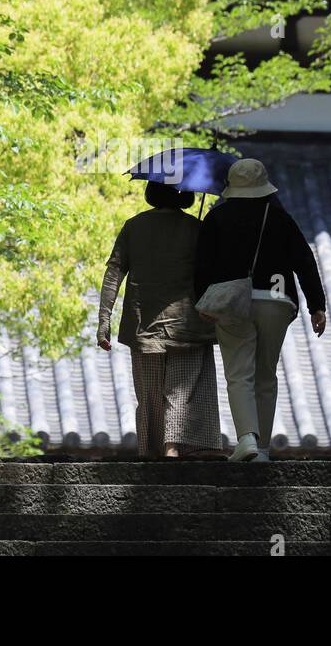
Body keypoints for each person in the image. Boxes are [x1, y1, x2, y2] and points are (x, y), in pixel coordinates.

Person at [194, 159, 326, 462]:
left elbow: (202, 263)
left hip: (232, 302)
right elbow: (304, 261)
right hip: (277, 301)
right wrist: (316, 306)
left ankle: (247, 440)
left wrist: (202, 299)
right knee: (266, 374)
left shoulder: (217, 218)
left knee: (240, 373)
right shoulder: (280, 217)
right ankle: (263, 448)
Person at [97, 181, 222, 458]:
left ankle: (154, 449)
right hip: (188, 323)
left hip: (145, 323)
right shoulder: (196, 228)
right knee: (184, 389)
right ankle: (174, 447)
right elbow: (213, 273)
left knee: (150, 391)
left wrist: (103, 321)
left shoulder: (134, 226)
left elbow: (114, 272)